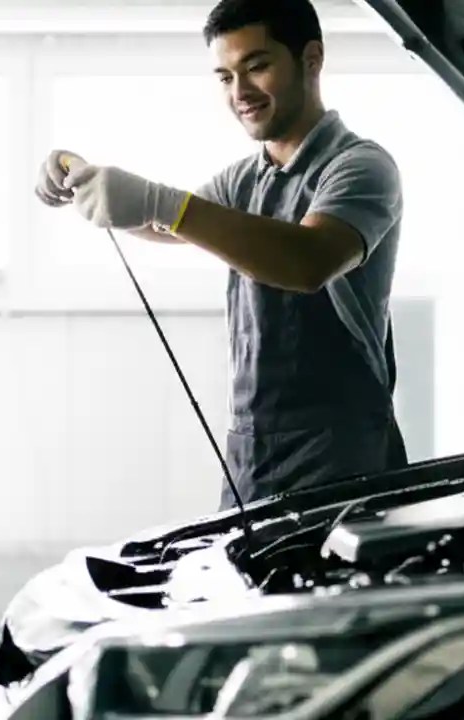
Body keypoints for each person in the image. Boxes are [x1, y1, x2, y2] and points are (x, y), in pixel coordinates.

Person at [35, 0, 408, 510]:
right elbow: (166, 222)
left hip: (341, 450)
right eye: (224, 77)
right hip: (252, 448)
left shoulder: (361, 167)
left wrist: (158, 200)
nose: (240, 93)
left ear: (311, 59)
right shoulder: (242, 179)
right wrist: (81, 174)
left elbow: (307, 262)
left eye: (256, 67)